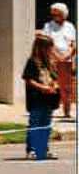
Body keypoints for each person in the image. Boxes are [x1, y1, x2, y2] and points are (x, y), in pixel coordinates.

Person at [23, 32, 60, 160]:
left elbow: (54, 78)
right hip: (36, 99)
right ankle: (32, 150)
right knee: (35, 124)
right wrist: (43, 88)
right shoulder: (32, 62)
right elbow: (29, 80)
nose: (51, 50)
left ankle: (43, 149)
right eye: (49, 47)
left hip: (48, 100)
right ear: (41, 47)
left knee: (46, 125)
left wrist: (54, 86)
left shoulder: (50, 63)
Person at [41, 3, 76, 120]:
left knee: (67, 87)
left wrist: (66, 56)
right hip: (52, 60)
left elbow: (73, 44)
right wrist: (56, 56)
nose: (55, 16)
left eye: (58, 13)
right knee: (51, 85)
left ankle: (67, 112)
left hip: (67, 60)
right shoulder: (48, 26)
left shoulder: (70, 26)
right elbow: (46, 44)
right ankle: (48, 111)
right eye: (53, 13)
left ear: (64, 14)